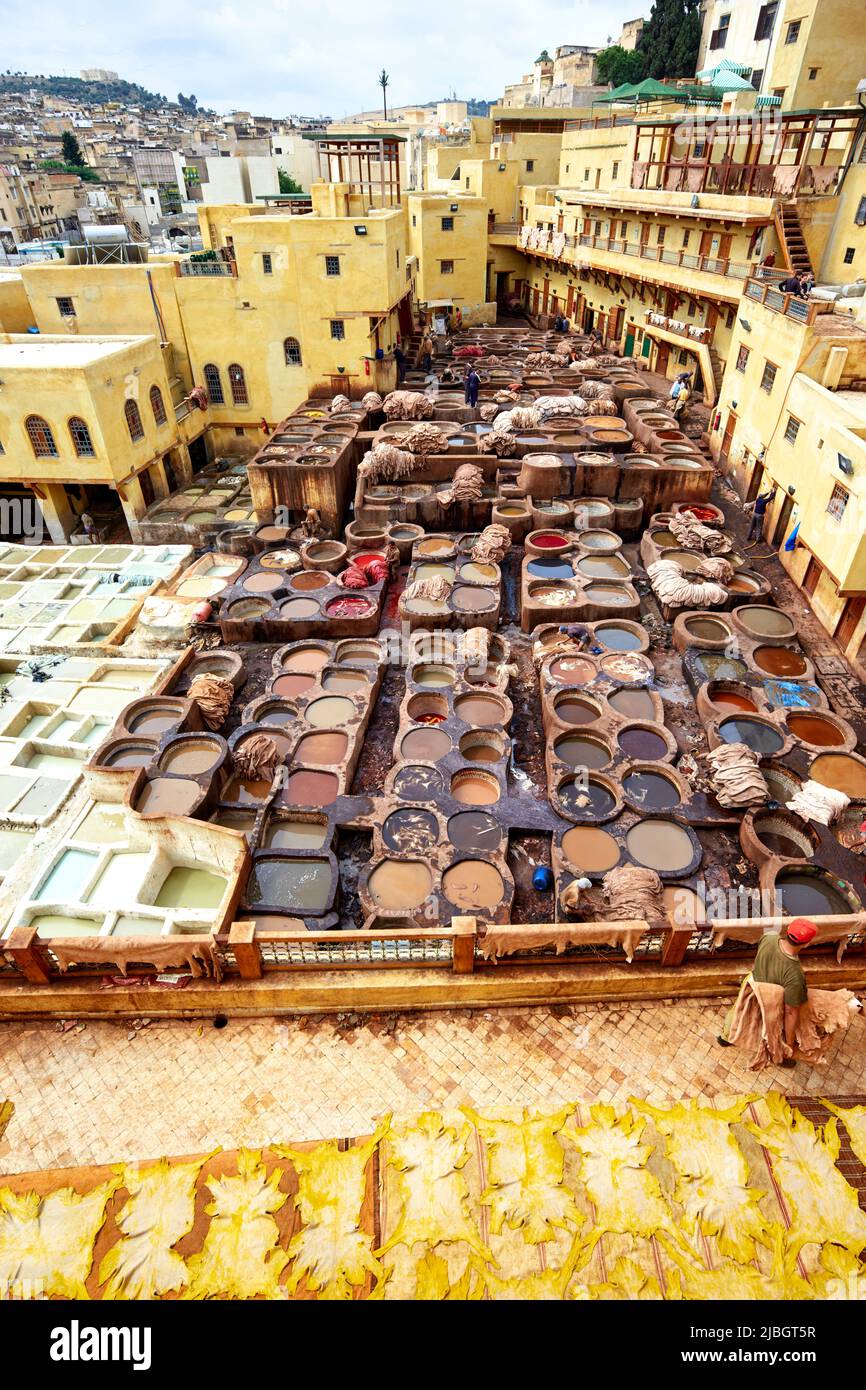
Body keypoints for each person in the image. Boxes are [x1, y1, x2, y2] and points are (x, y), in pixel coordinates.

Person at [719, 918, 816, 1062]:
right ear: (807, 943)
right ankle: (780, 1056)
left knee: (738, 1013)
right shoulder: (796, 976)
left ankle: (725, 1038)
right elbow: (790, 1011)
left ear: (788, 930)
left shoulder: (770, 937)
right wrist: (789, 1044)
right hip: (770, 1001)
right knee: (768, 1028)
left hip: (751, 986)